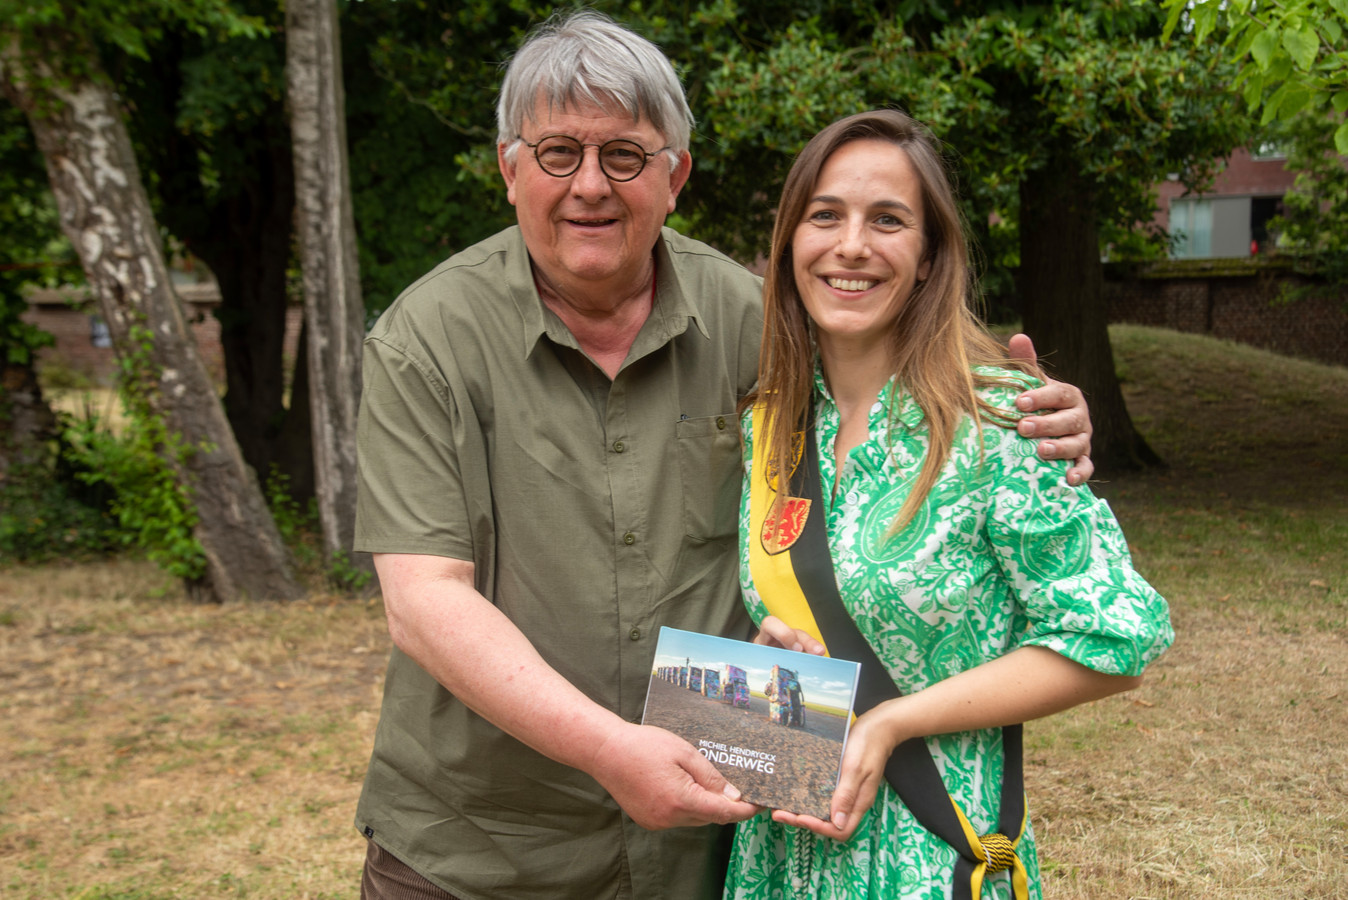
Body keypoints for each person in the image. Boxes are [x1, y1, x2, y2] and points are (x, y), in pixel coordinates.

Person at [352, 12, 1095, 900]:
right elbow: (425, 603)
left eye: (625, 155)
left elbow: (898, 377)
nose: (590, 185)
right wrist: (610, 750)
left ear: (676, 177)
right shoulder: (422, 341)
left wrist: (1024, 410)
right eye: (558, 153)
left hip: (707, 844)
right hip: (482, 849)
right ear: (509, 170)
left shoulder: (760, 323)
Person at [725, 110, 1174, 900]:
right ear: (790, 243)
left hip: (931, 859)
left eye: (888, 220)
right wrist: (775, 664)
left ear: (929, 258)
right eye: (824, 215)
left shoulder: (1001, 417)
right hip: (783, 857)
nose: (851, 245)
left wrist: (895, 720)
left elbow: (1117, 639)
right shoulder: (769, 424)